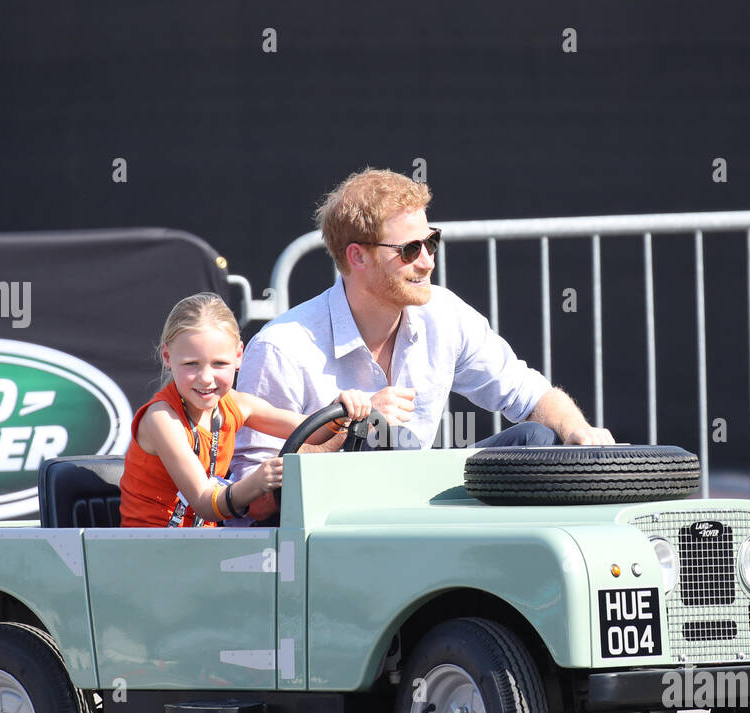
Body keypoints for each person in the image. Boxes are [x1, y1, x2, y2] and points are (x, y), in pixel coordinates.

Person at [231, 168, 614, 519]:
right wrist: (353, 429)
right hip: (336, 527)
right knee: (372, 449)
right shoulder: (282, 346)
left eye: (432, 242)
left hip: (422, 510)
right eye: (410, 250)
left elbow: (531, 395)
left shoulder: (444, 312)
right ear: (357, 256)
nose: (428, 261)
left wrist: (579, 432)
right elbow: (258, 503)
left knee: (540, 439)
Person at [119, 293, 370, 527]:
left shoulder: (237, 404)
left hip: (199, 550)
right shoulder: (162, 419)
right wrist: (258, 482)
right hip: (147, 553)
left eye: (219, 364)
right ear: (167, 356)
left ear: (239, 355)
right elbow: (206, 502)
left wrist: (344, 409)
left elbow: (313, 431)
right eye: (191, 364)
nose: (206, 378)